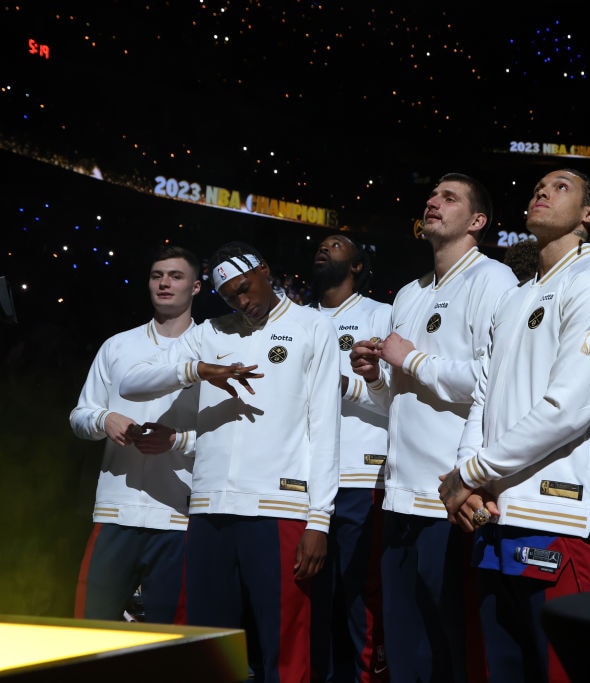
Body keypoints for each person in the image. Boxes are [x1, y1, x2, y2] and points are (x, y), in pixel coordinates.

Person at [438, 168, 590, 683]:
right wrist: (468, 478)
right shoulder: (515, 298)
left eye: (561, 187)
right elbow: (482, 396)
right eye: (537, 188)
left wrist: (472, 473)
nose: (542, 192)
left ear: (588, 214)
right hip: (496, 518)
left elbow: (565, 409)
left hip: (565, 522)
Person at [120, 241, 341, 683]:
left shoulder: (312, 326)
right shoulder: (210, 333)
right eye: (228, 297)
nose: (241, 301)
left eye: (244, 288)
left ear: (263, 270)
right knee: (210, 644)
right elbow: (131, 382)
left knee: (285, 645)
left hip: (278, 508)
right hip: (209, 508)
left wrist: (319, 519)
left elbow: (325, 428)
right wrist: (197, 370)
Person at [349, 172, 518, 683]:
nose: (433, 203)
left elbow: (494, 383)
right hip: (398, 495)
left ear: (478, 221)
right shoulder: (409, 292)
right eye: (431, 196)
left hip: (451, 498)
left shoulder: (494, 280)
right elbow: (394, 403)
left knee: (451, 650)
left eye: (449, 198)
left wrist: (413, 359)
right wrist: (376, 376)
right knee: (405, 654)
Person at [69, 244, 202, 623]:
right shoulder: (118, 345)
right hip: (116, 511)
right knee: (91, 627)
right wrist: (105, 419)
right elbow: (80, 416)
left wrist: (176, 440)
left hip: (179, 517)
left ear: (195, 286)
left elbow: (229, 438)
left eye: (175, 276)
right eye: (157, 275)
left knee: (171, 639)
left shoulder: (213, 351)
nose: (164, 283)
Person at [308, 233, 391, 682]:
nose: (324, 248)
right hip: (303, 481)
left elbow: (396, 399)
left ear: (358, 265)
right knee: (309, 598)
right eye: (321, 244)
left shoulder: (381, 315)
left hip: (362, 477)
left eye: (337, 244)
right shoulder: (298, 319)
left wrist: (347, 385)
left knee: (360, 594)